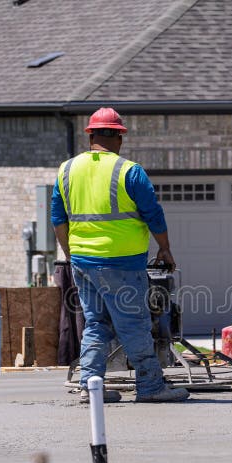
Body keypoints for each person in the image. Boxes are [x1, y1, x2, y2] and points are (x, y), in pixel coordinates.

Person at [51, 107, 189, 403]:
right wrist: (164, 248)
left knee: (96, 323)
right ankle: (151, 386)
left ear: (90, 135)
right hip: (122, 263)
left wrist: (71, 254)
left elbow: (58, 219)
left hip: (84, 263)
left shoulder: (66, 170)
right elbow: (153, 214)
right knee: (134, 323)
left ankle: (91, 386)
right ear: (119, 138)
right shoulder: (129, 171)